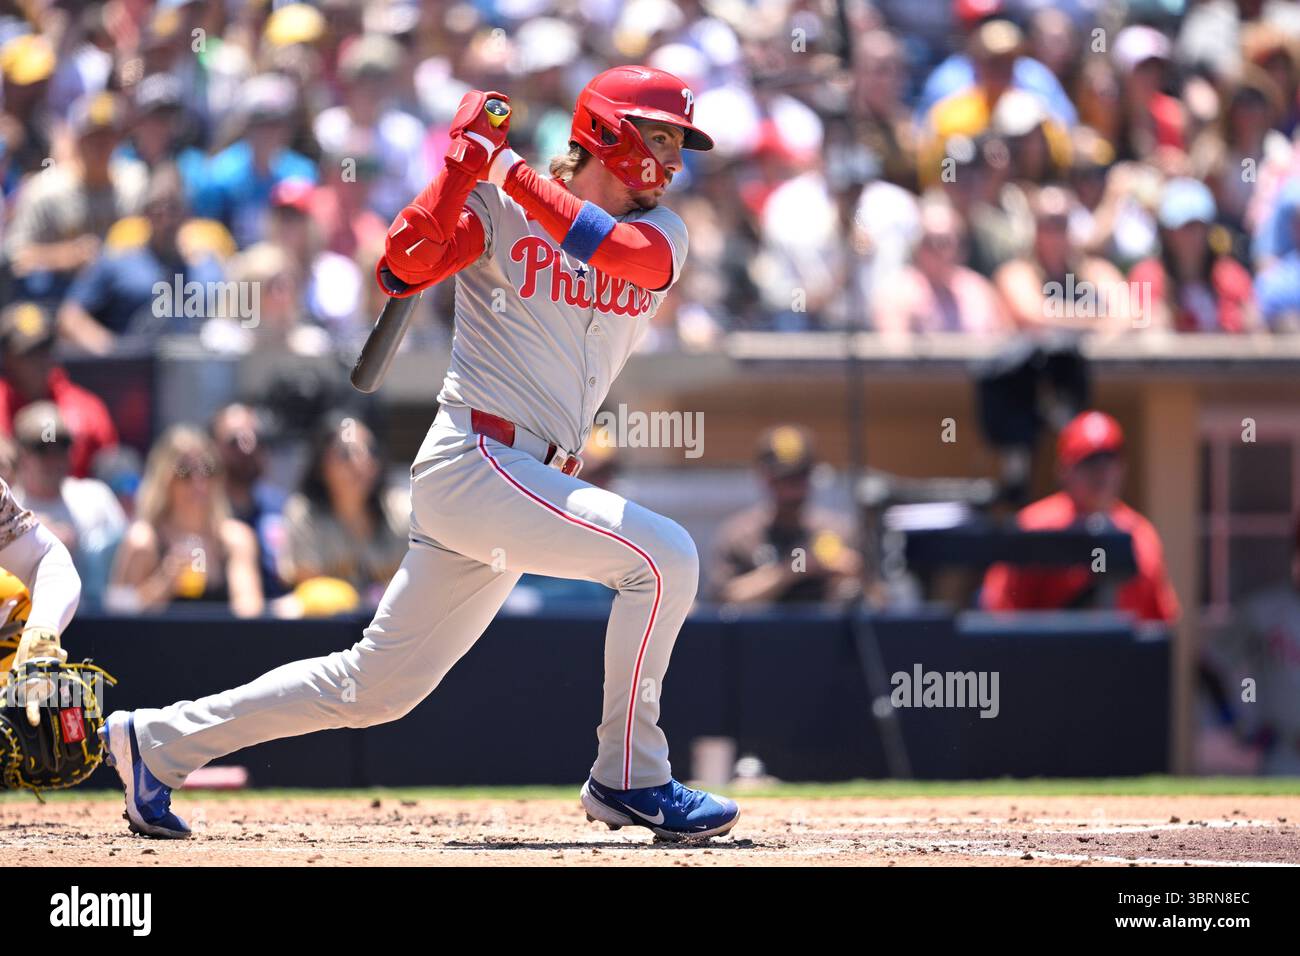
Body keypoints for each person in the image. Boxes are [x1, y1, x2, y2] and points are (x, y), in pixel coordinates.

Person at [101, 68, 740, 842]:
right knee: (665, 557)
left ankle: (158, 742)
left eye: (681, 144)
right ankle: (631, 776)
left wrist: (499, 166)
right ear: (609, 130)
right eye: (664, 137)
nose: (674, 162)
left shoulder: (659, 229)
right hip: (478, 458)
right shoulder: (501, 205)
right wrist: (456, 174)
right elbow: (403, 266)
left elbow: (613, 251)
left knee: (374, 687)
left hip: (526, 483)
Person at [981, 410, 1180, 623]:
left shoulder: (1140, 534)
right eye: (1089, 461)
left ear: (1122, 467)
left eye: (1109, 459)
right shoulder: (1033, 527)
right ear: (1064, 470)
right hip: (1049, 653)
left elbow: (1160, 622)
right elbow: (999, 611)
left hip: (1120, 654)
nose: (1101, 472)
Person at [107, 425, 263, 619]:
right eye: (185, 471)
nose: (199, 482)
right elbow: (116, 614)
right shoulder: (143, 541)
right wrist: (163, 584)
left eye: (207, 469)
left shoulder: (235, 539)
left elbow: (250, 610)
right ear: (164, 478)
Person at [711, 426, 863, 606]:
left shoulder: (840, 532)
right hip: (761, 634)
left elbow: (880, 600)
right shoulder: (739, 537)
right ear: (765, 477)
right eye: (785, 480)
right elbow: (723, 602)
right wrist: (796, 568)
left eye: (801, 477)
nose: (793, 491)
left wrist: (855, 576)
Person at [278, 412, 405, 605]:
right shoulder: (304, 514)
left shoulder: (403, 510)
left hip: (398, 626)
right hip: (331, 630)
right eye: (346, 454)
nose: (361, 462)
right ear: (322, 466)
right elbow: (313, 592)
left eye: (371, 451)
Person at [10, 402, 125, 610]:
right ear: (22, 454)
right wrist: (36, 539)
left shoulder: (96, 497)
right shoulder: (8, 507)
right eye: (42, 448)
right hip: (28, 627)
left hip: (97, 625)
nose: (54, 458)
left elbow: (126, 566)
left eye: (61, 446)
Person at [0, 302, 117, 479]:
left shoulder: (86, 409)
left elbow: (112, 474)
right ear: (8, 358)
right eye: (29, 352)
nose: (39, 361)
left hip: (72, 504)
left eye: (44, 349)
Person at [1128, 178, 1258, 333]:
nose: (1194, 235)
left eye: (1200, 226)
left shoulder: (1230, 275)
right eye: (1185, 227)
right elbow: (1145, 335)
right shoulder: (1147, 276)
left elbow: (1255, 332)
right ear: (1166, 232)